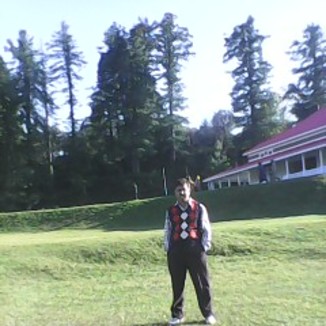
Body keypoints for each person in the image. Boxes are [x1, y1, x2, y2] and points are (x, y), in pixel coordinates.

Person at [163, 178, 217, 325]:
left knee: (202, 282)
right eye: (178, 190)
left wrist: (204, 247)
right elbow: (168, 229)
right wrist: (168, 248)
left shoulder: (199, 208)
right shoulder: (170, 210)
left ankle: (208, 313)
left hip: (195, 249)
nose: (181, 193)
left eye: (184, 189)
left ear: (189, 190)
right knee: (177, 284)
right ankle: (177, 314)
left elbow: (206, 228)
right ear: (175, 192)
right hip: (176, 251)